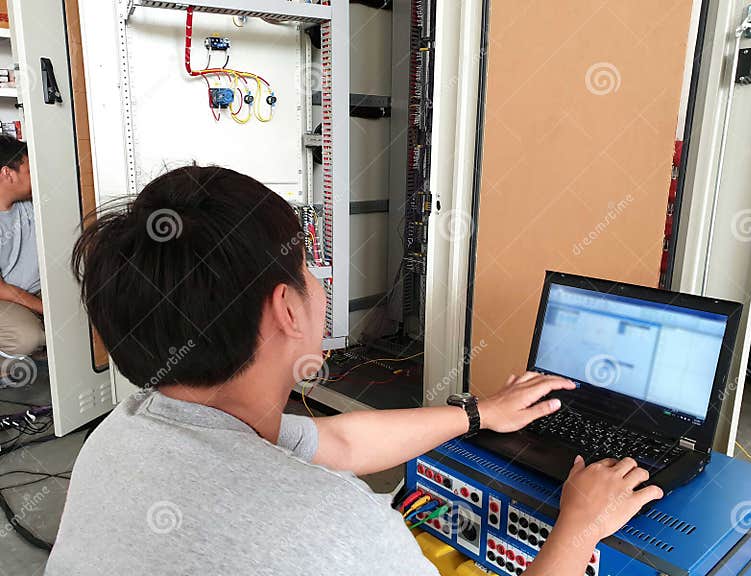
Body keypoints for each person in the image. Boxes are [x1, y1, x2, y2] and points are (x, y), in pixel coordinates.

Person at [46, 166, 662, 575]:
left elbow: (337, 440)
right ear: (287, 308)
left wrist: (478, 413)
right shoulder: (333, 534)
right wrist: (581, 527)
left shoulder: (123, 433)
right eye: (309, 267)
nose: (320, 283)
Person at [0, 136, 45, 361]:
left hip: (31, 293)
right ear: (7, 173)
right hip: (3, 298)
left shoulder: (29, 204)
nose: (36, 177)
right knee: (28, 337)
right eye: (30, 171)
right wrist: (44, 308)